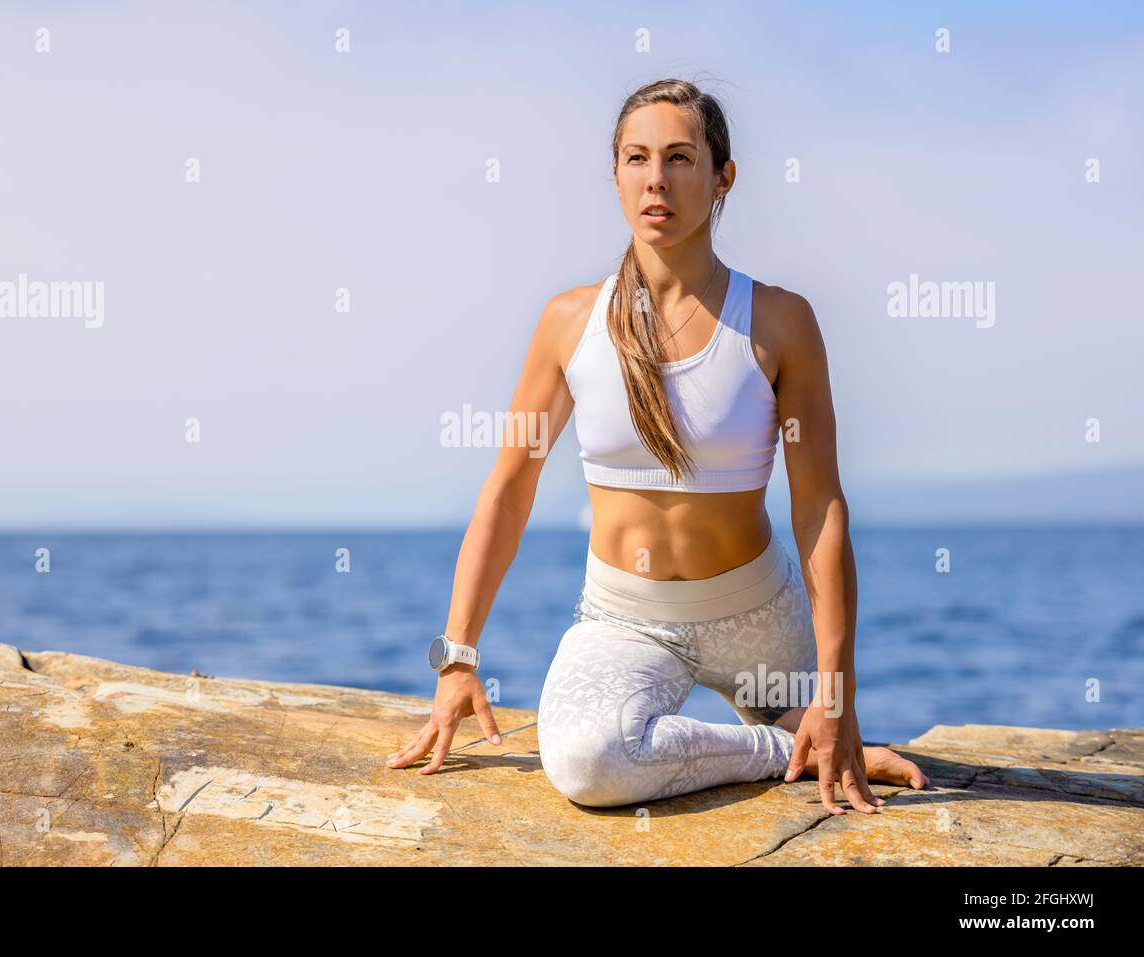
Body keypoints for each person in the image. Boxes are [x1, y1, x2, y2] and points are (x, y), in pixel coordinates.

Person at [386, 77, 929, 815]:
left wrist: (836, 694)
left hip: (758, 617)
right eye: (636, 158)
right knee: (586, 761)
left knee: (808, 719)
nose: (656, 179)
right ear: (614, 175)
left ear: (722, 178)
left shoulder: (780, 322)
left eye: (680, 157)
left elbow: (820, 507)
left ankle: (806, 729)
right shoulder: (568, 322)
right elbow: (509, 488)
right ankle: (780, 751)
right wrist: (456, 659)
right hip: (623, 616)